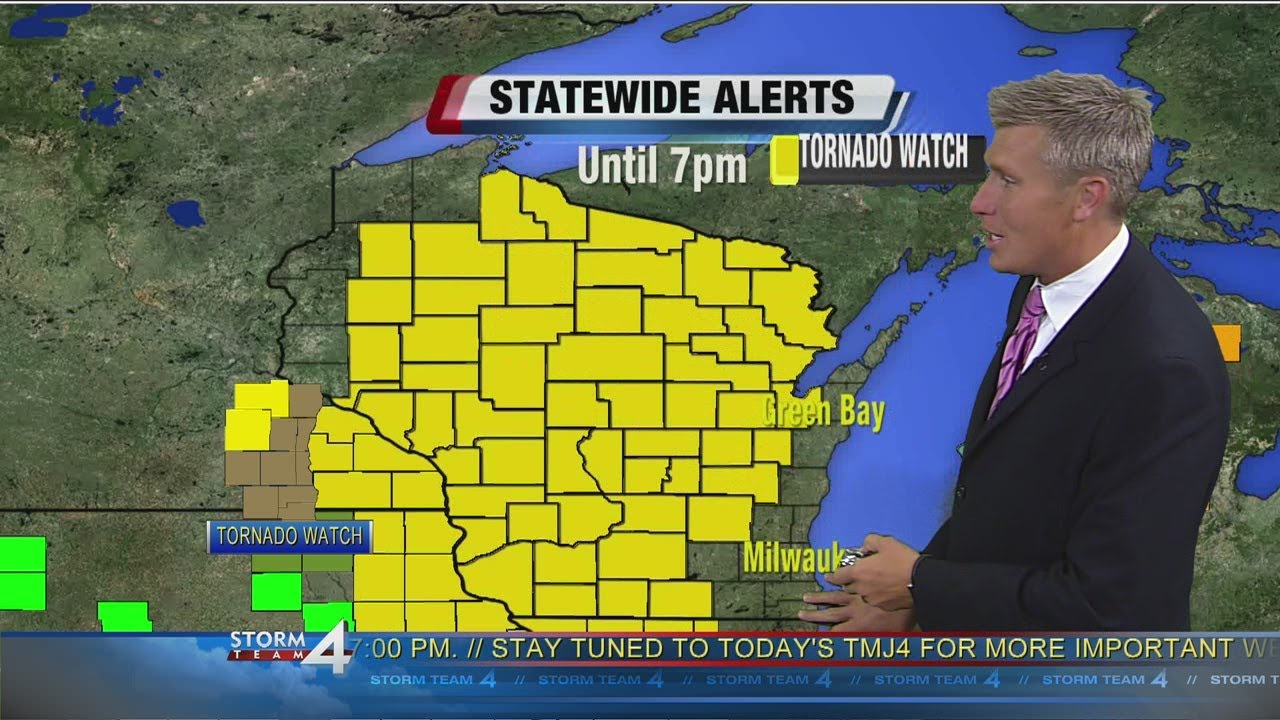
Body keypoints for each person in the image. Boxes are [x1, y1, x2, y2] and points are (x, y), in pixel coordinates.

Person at [798, 71, 1230, 631]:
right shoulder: (1041, 286)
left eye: (1007, 181)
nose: (980, 202)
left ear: (1087, 197)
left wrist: (921, 583)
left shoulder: (1162, 371)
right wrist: (915, 607)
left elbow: (1115, 608)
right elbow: (1014, 501)